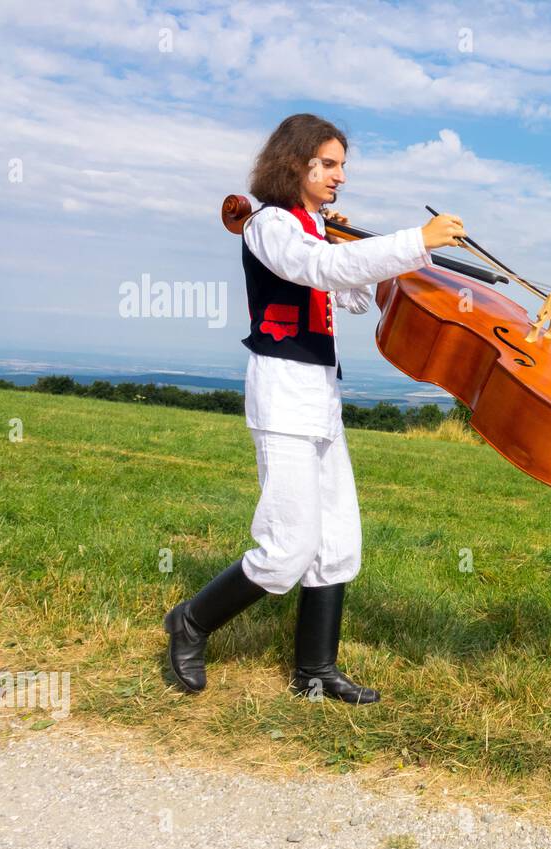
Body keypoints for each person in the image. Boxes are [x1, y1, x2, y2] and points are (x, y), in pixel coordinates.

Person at [164, 113, 465, 704]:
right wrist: (411, 241)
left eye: (342, 165)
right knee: (285, 552)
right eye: (328, 164)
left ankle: (315, 672)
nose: (339, 176)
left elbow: (350, 295)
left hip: (321, 394)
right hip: (281, 393)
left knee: (338, 542)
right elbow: (321, 270)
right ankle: (190, 623)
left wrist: (351, 242)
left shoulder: (311, 229)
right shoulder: (269, 226)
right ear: (293, 164)